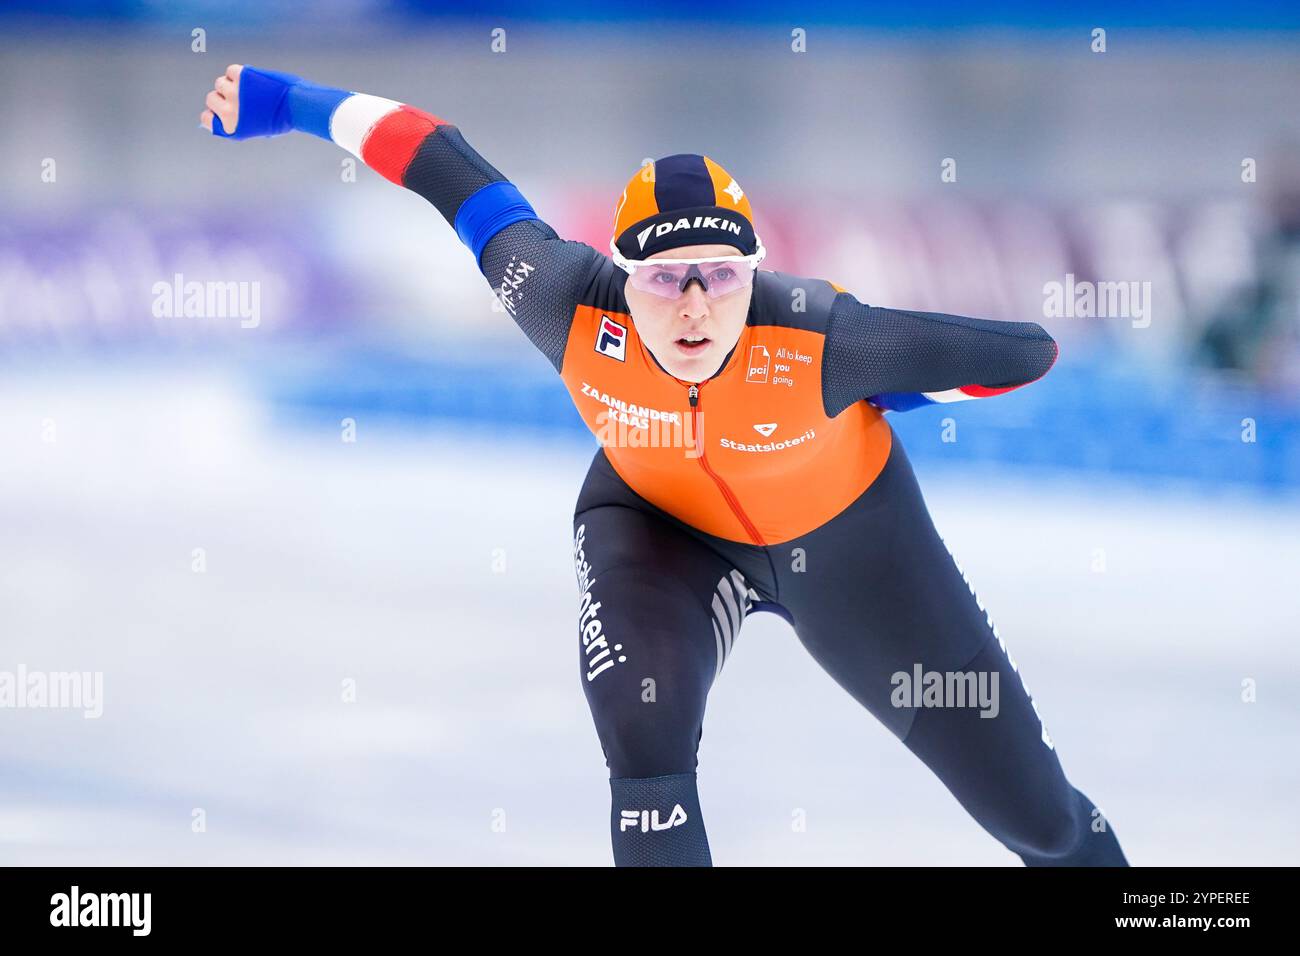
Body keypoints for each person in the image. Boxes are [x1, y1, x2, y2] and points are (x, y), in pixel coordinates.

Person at [201, 64, 1129, 867]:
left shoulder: (821, 337)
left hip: (854, 549)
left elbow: (1024, 353)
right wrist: (285, 101)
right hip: (661, 535)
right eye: (661, 277)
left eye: (719, 277)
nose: (691, 307)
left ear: (754, 273)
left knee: (1041, 824)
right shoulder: (561, 298)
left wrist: (899, 391)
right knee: (643, 732)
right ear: (620, 274)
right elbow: (438, 160)